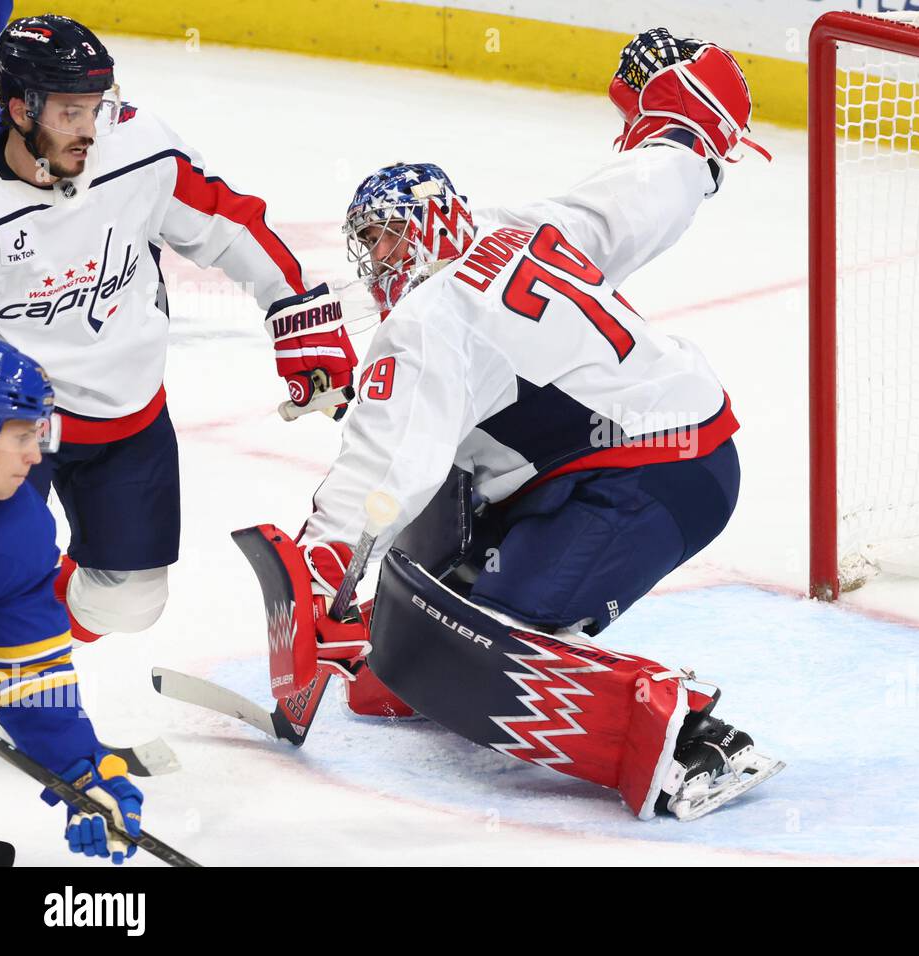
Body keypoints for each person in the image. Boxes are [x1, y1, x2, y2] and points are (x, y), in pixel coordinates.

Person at [281, 29, 783, 820]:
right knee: (417, 643)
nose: (377, 259)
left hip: (650, 481)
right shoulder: (524, 228)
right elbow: (644, 190)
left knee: (479, 649)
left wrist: (319, 567)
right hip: (662, 453)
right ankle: (444, 635)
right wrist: (689, 130)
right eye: (369, 243)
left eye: (387, 237)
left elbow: (386, 474)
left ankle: (695, 738)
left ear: (426, 228)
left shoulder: (425, 321)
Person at [0, 14, 355, 643]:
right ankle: (18, 654)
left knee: (127, 601)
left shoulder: (136, 148)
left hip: (127, 413)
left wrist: (299, 315)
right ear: (19, 109)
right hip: (16, 425)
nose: (89, 131)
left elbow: (228, 224)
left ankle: (18, 648)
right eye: (69, 114)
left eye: (97, 108)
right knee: (7, 565)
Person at [0, 340, 144, 864]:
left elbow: (29, 674)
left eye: (37, 436)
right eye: (19, 437)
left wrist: (80, 772)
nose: (36, 458)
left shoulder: (18, 530)